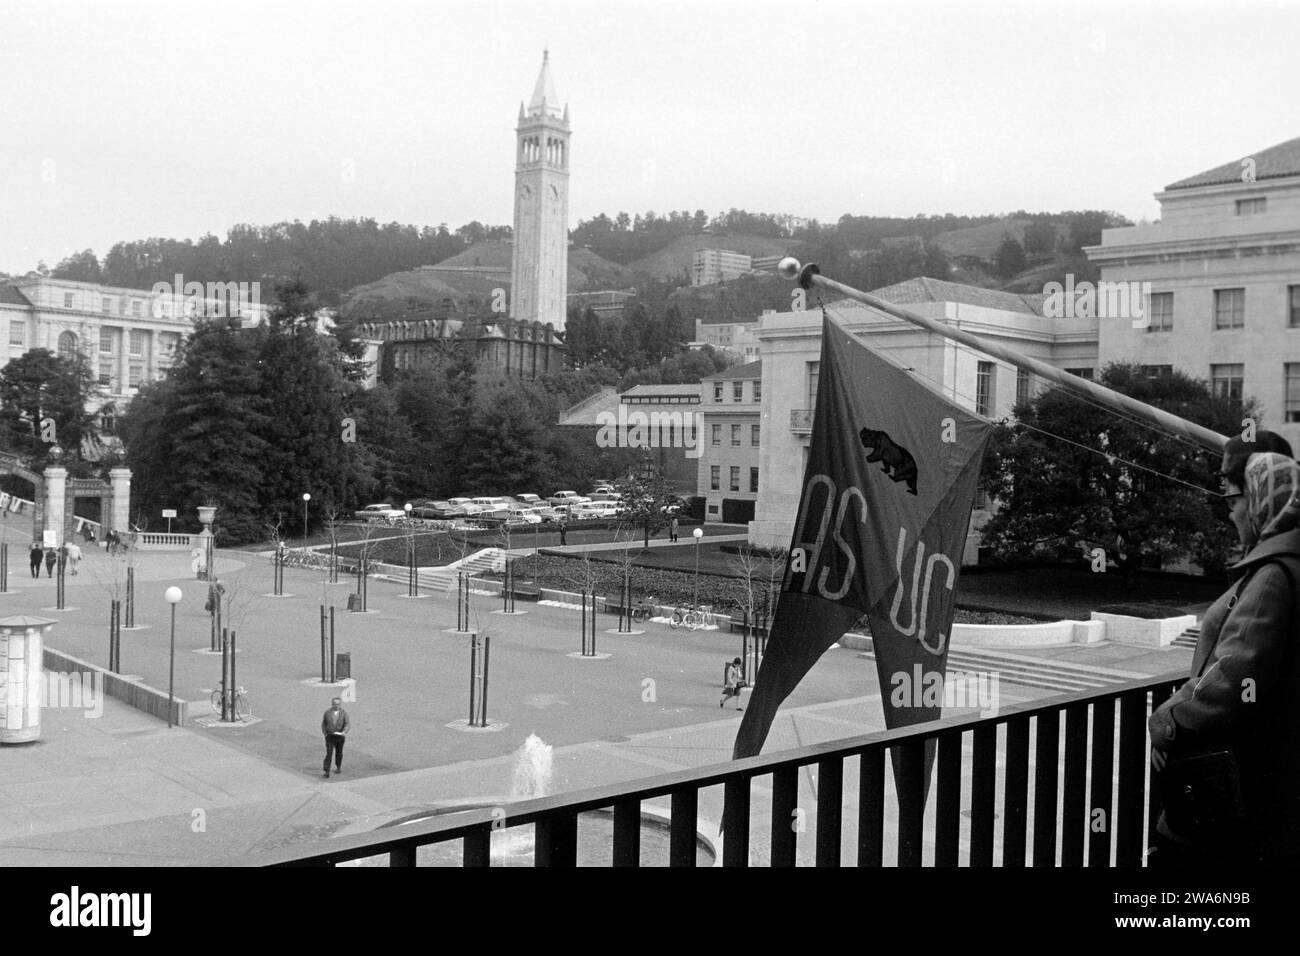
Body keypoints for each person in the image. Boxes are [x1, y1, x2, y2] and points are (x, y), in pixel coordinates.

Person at [1148, 451, 1300, 866]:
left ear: (1261, 502)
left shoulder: (1272, 575)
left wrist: (1169, 723)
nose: (1230, 515)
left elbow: (1231, 678)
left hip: (1237, 789)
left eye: (1234, 502)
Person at [321, 697, 350, 778]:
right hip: (330, 736)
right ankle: (327, 770)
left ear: (340, 704)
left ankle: (338, 766)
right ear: (332, 704)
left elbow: (347, 724)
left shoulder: (344, 713)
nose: (336, 705)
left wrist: (345, 731)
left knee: (339, 753)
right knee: (329, 753)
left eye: (338, 704)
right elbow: (324, 724)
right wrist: (325, 733)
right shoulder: (327, 713)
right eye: (335, 704)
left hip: (339, 736)